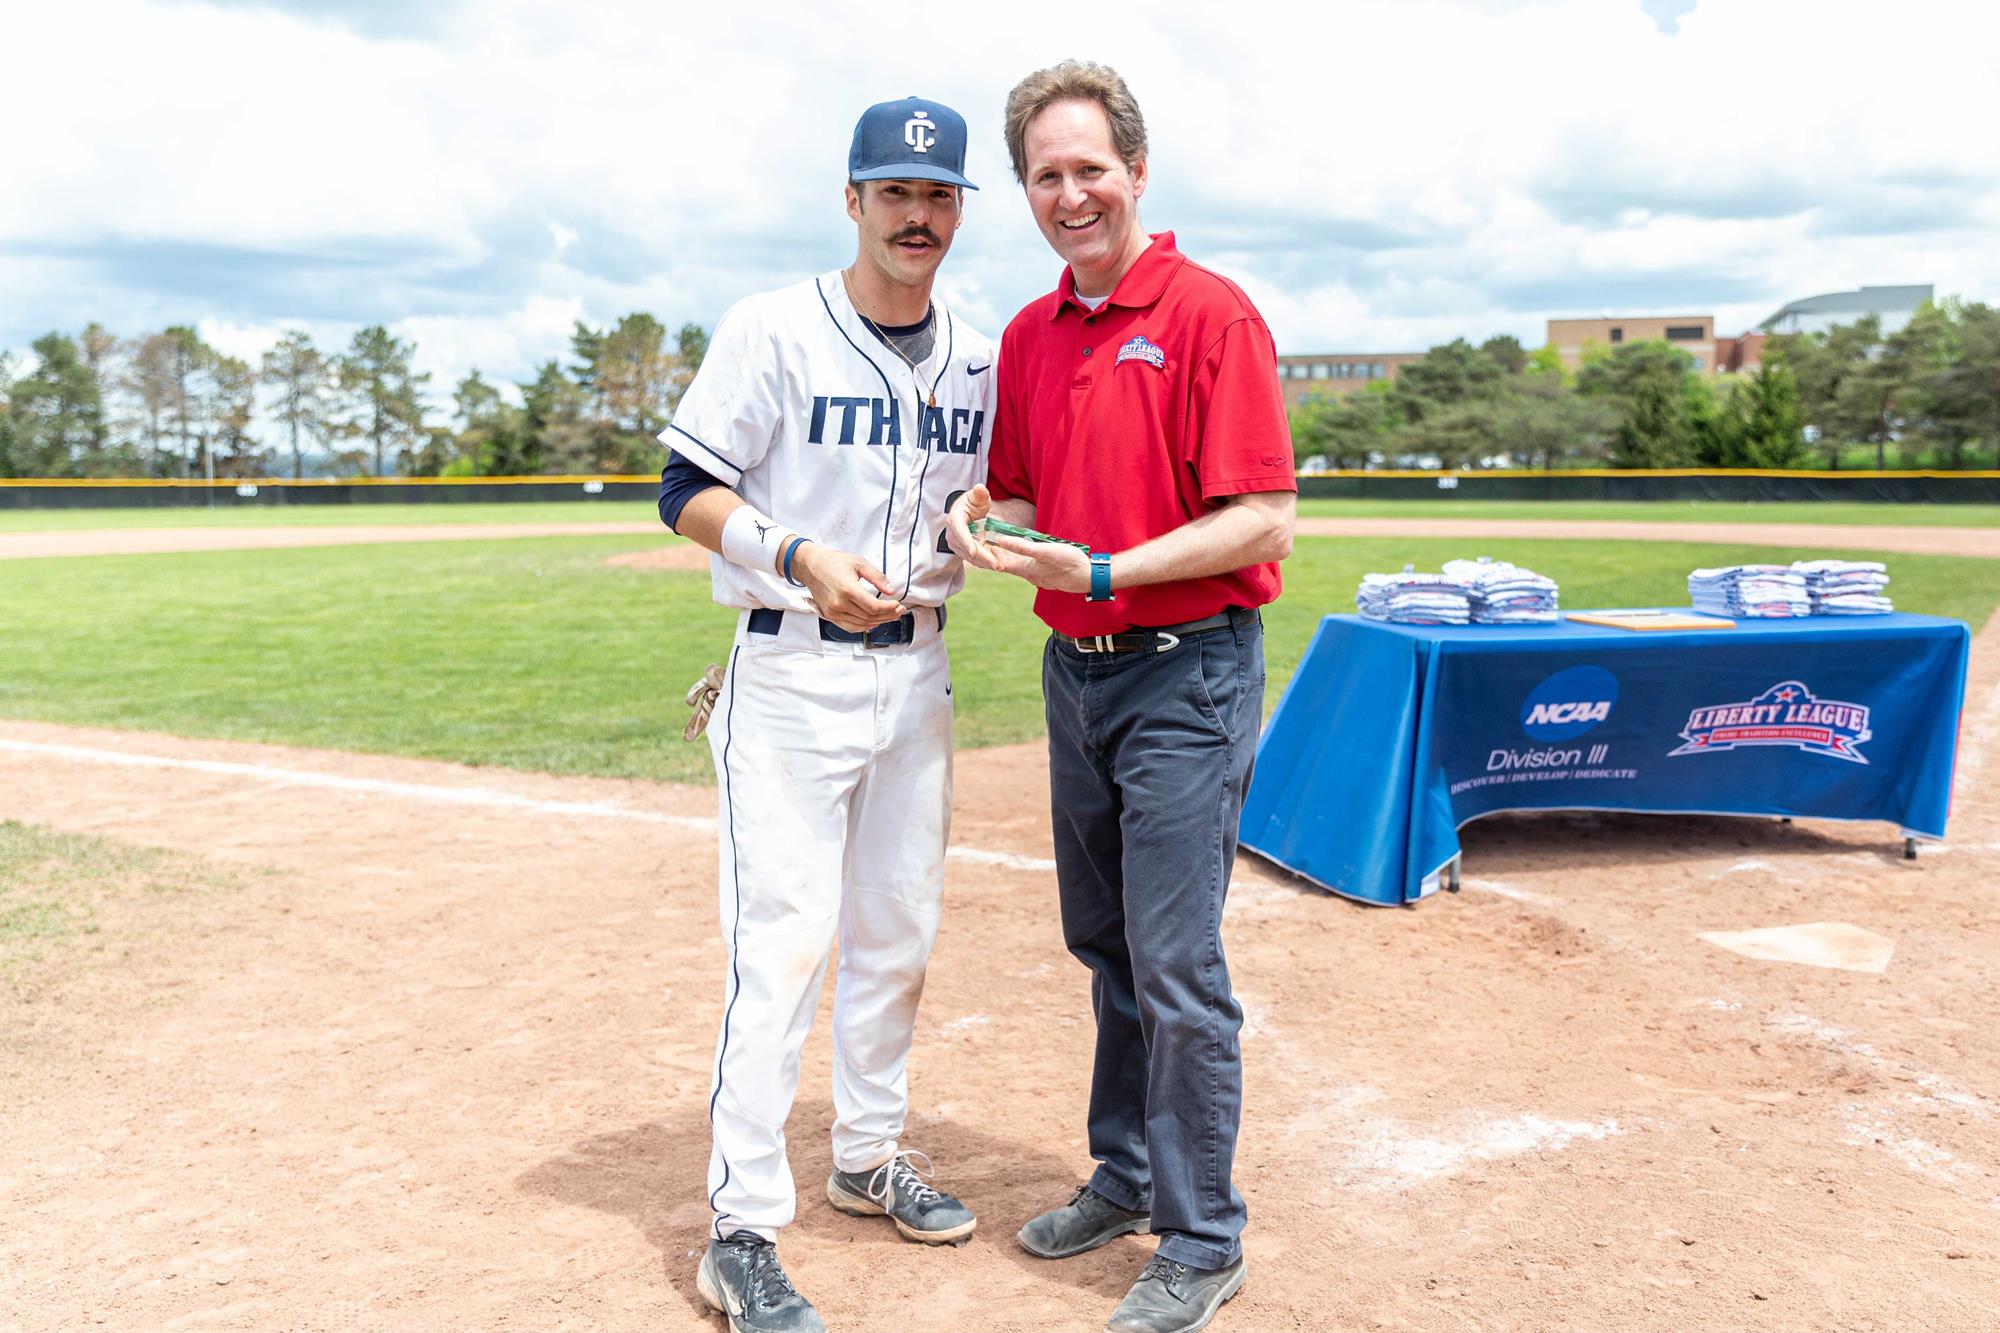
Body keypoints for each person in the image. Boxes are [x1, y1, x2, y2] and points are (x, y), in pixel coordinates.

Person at [945, 60, 1296, 1333]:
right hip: (1076, 675)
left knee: (1175, 960)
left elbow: (1262, 516)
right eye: (1044, 175)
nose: (1069, 194)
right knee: (1104, 944)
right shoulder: (1031, 335)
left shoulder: (1210, 315)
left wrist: (1103, 570)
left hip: (1185, 669)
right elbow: (1024, 489)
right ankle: (1127, 1171)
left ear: (1135, 173)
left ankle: (1201, 1239)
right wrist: (983, 516)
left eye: (1089, 168)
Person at [662, 95, 996, 1333]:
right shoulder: (772, 329)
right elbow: (681, 488)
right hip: (791, 671)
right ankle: (740, 1228)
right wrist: (796, 555)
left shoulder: (982, 357)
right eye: (894, 191)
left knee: (897, 934)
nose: (917, 215)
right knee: (783, 946)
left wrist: (984, 521)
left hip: (917, 674)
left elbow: (990, 496)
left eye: (938, 195)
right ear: (852, 199)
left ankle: (866, 1156)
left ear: (957, 210)